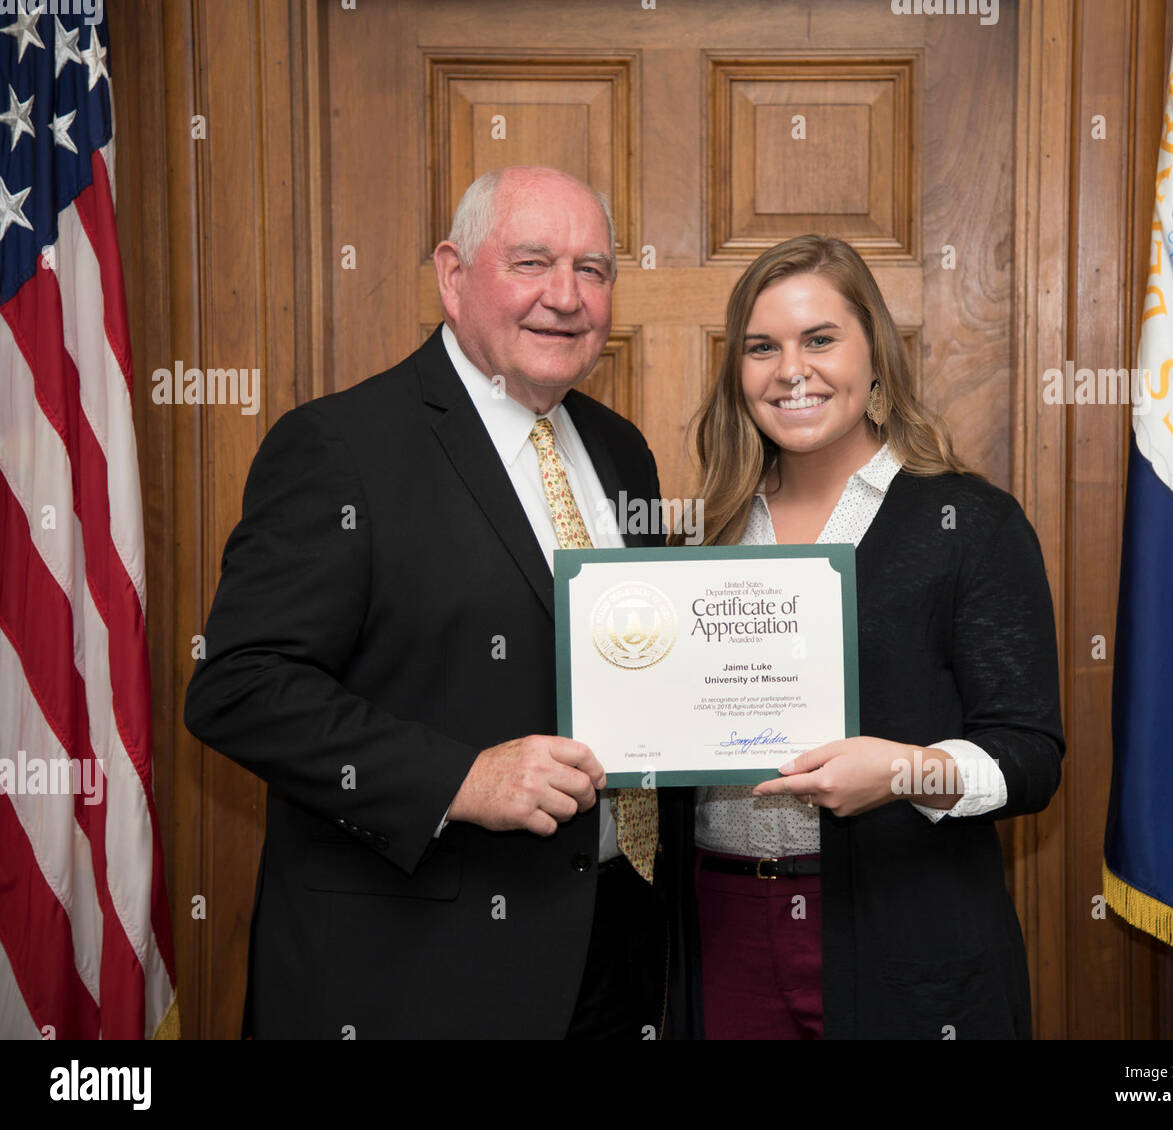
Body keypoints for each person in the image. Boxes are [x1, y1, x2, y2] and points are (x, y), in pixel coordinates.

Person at [185, 166, 667, 1039]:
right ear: (453, 275)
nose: (566, 297)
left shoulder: (620, 449)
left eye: (593, 270)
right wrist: (461, 779)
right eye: (532, 262)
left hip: (610, 955)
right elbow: (241, 687)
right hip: (411, 971)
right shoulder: (340, 447)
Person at [662, 235, 1065, 1040]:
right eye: (761, 347)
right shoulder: (701, 538)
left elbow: (1031, 757)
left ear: (875, 356)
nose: (790, 370)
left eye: (820, 339)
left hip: (901, 926)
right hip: (723, 928)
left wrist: (904, 773)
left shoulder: (968, 523)